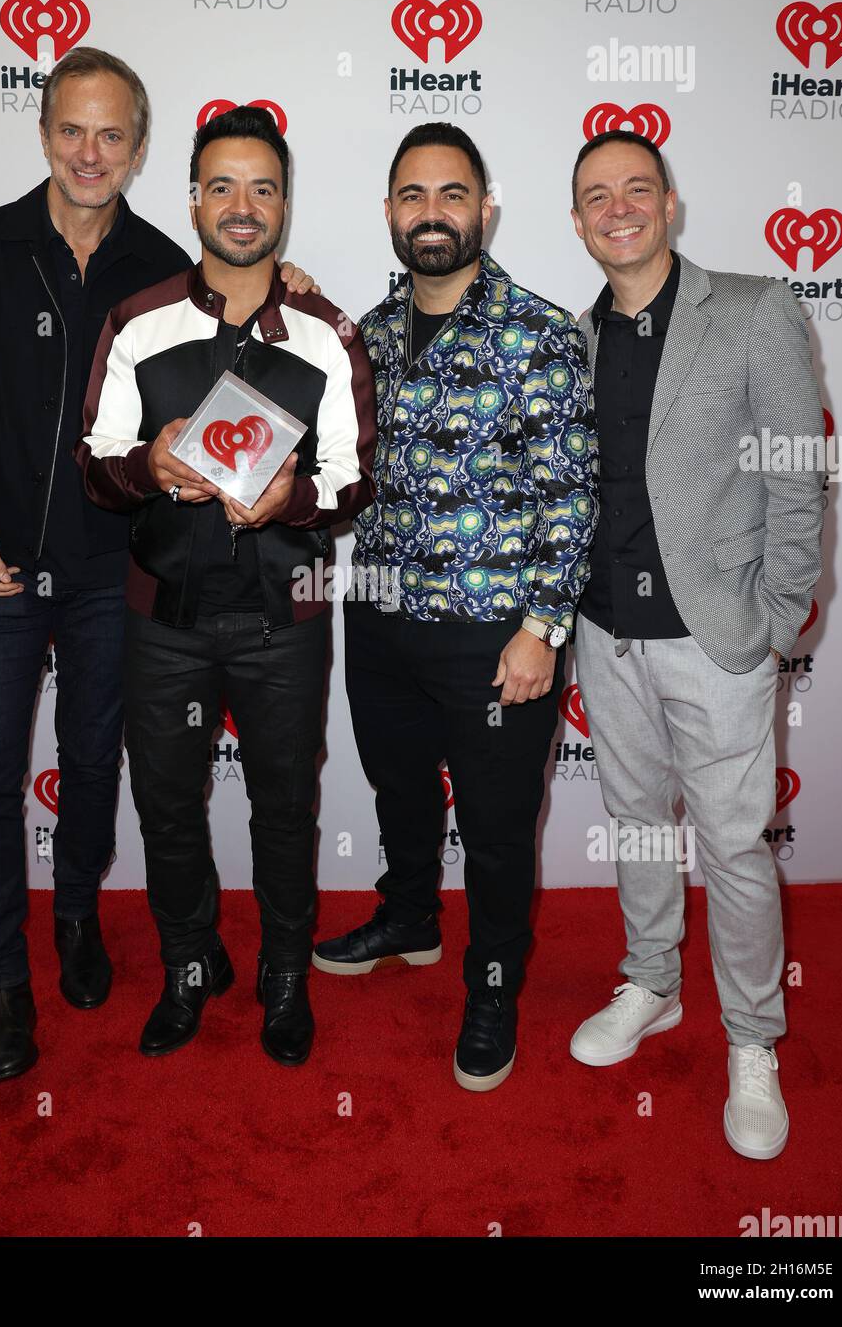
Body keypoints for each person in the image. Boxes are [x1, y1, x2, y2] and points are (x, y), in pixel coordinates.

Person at [0, 49, 316, 1083]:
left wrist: (290, 285)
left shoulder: (167, 268)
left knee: (91, 766)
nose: (91, 152)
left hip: (105, 577)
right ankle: (1, 980)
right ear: (44, 133)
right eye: (72, 131)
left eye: (112, 134)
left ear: (137, 147)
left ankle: (77, 919)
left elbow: (250, 325)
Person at [77, 106, 376, 1068]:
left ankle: (285, 975)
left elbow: (353, 478)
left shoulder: (328, 332)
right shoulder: (138, 320)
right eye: (222, 186)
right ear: (193, 196)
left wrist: (293, 499)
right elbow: (96, 460)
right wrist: (148, 469)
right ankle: (188, 966)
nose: (241, 207)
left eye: (262, 187)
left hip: (283, 622)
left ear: (285, 203)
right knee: (167, 806)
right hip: (161, 618)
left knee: (285, 806)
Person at [313, 123, 598, 1092]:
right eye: (412, 196)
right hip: (383, 614)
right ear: (389, 212)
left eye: (450, 194)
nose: (430, 213)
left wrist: (542, 628)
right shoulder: (365, 333)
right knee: (400, 792)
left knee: (496, 822)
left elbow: (571, 493)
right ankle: (411, 918)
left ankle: (492, 981)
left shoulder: (541, 331)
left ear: (485, 209)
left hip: (493, 631)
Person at [566, 130, 825, 1160]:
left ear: (671, 204)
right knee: (635, 822)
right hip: (607, 635)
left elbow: (798, 470)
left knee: (734, 847)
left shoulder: (756, 310)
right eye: (597, 196)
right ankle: (654, 981)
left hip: (716, 635)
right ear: (577, 221)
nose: (618, 207)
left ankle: (754, 1039)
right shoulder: (574, 336)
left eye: (638, 189)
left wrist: (779, 616)